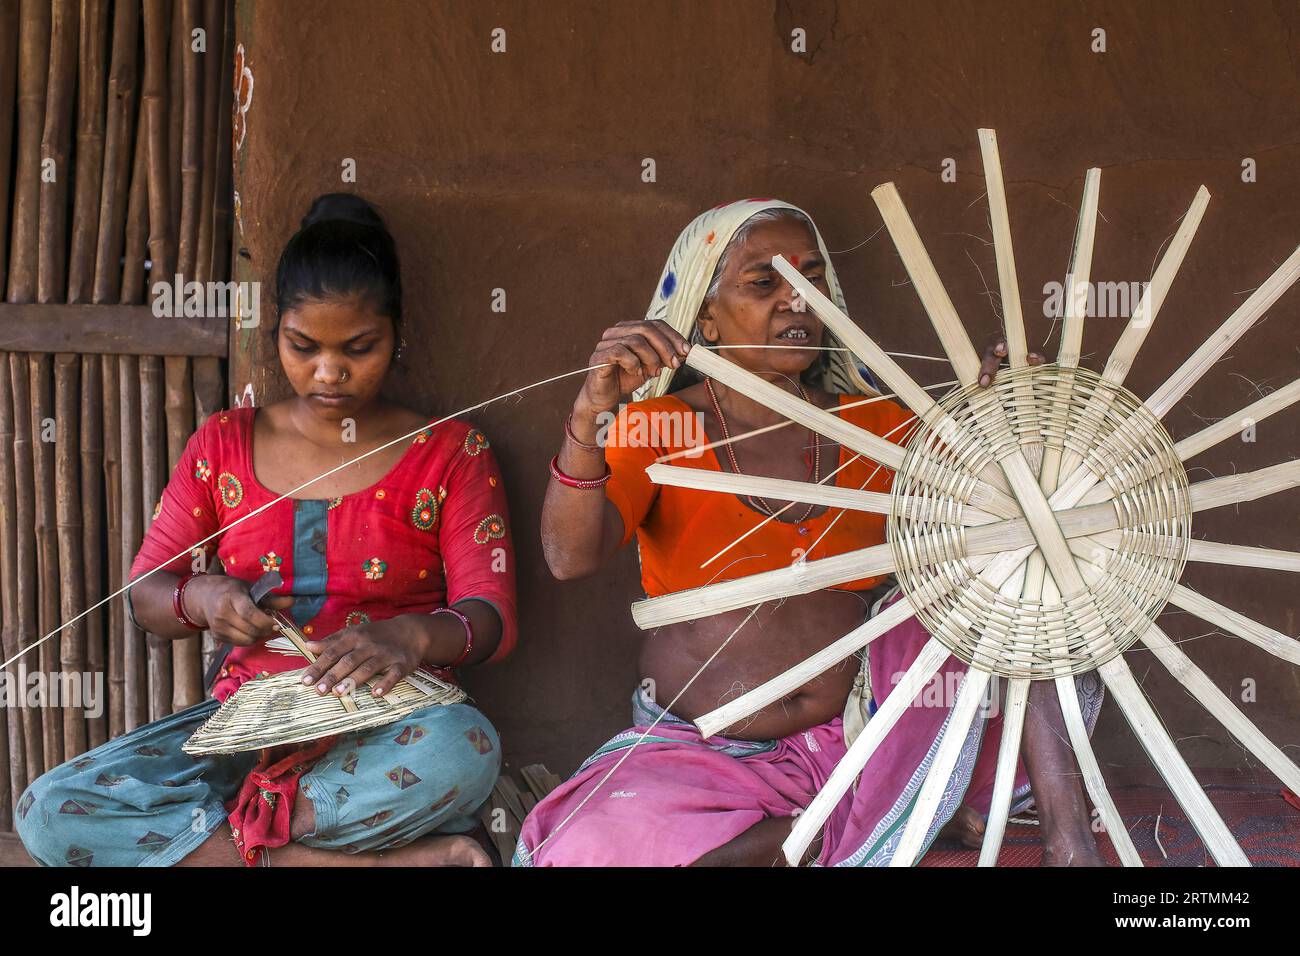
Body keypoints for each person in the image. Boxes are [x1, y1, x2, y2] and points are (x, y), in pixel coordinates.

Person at [518, 198, 1105, 866]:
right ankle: (849, 827)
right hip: (702, 754)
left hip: (862, 738)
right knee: (592, 848)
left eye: (811, 281)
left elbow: (1006, 522)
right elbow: (568, 557)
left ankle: (1067, 840)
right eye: (763, 283)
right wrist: (590, 413)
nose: (797, 301)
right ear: (705, 317)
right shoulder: (663, 427)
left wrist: (1006, 420)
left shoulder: (882, 427)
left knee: (1019, 577)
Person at [16, 194, 516, 867]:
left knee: (467, 748)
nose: (328, 371)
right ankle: (358, 863)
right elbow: (147, 595)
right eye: (302, 346)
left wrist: (412, 635)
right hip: (242, 736)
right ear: (274, 330)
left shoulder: (450, 452)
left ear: (401, 333)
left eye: (359, 348)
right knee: (48, 812)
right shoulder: (224, 444)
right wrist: (207, 599)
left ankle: (232, 853)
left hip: (388, 733)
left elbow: (490, 618)